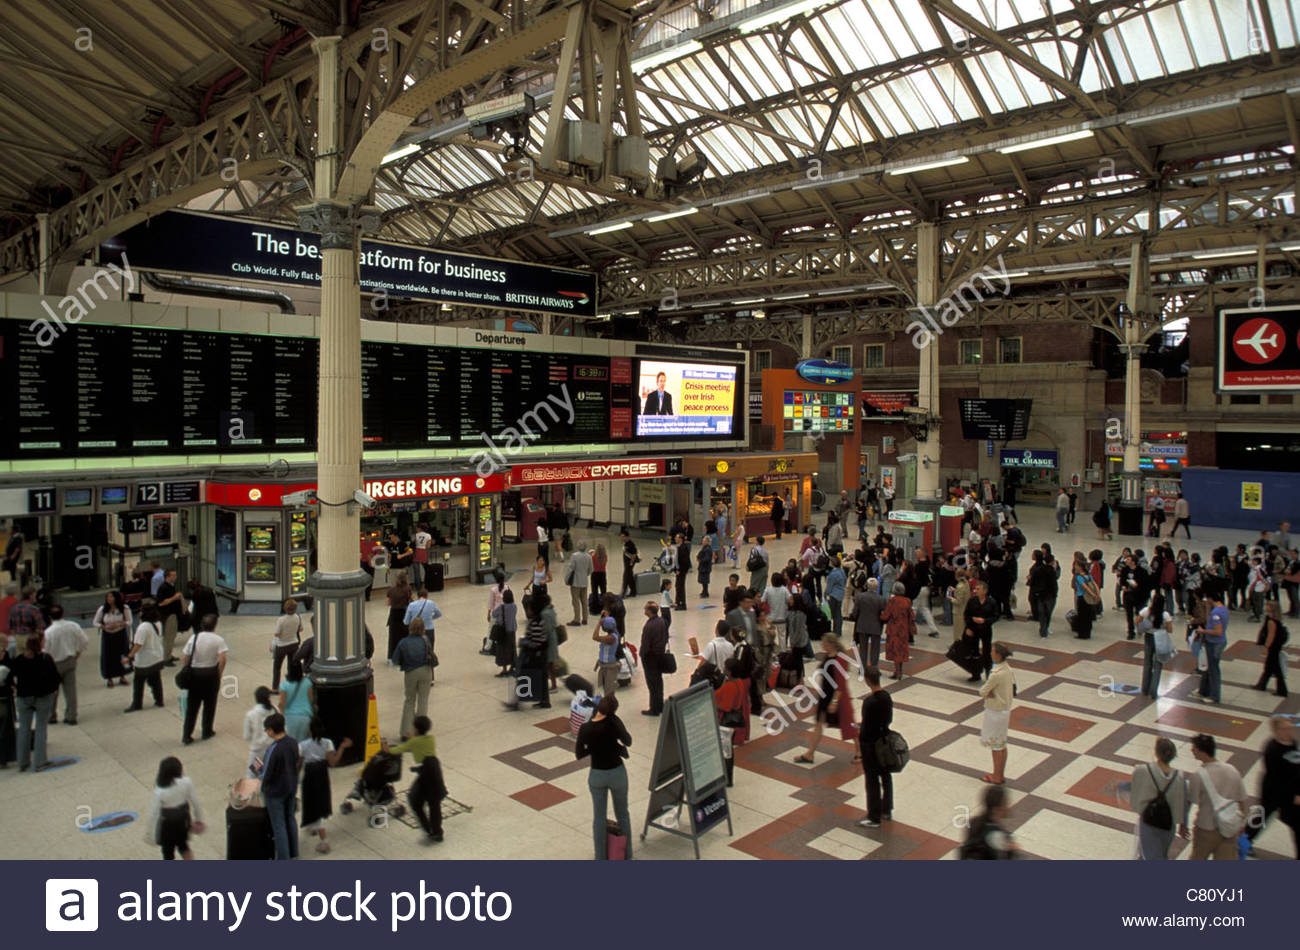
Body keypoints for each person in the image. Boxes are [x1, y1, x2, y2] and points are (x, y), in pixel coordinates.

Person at [575, 694, 633, 859]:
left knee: (599, 817)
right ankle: (627, 854)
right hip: (617, 772)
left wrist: (592, 749)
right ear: (613, 711)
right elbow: (628, 741)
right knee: (622, 814)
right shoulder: (614, 723)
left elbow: (579, 754)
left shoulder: (585, 728)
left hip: (597, 774)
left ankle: (600, 856)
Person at [794, 635, 857, 764]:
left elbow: (840, 684)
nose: (822, 644)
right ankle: (810, 754)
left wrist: (834, 702)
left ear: (830, 644)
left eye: (824, 642)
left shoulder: (839, 660)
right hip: (825, 696)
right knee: (818, 724)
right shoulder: (828, 656)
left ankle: (860, 751)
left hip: (836, 698)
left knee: (848, 724)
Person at [1128, 736, 1189, 860]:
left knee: (1147, 854)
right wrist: (1184, 825)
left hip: (1149, 822)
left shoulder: (1143, 770)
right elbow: (1184, 803)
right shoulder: (1179, 777)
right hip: (1168, 824)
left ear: (1156, 753)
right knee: (1162, 854)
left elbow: (1133, 788)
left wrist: (1118, 786)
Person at [1187, 733, 1246, 860]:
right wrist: (1240, 824)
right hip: (1229, 828)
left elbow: (1191, 801)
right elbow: (1241, 800)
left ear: (1202, 752)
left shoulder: (1198, 776)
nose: (1192, 750)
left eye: (1194, 748)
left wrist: (1183, 824)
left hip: (1206, 828)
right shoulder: (1232, 770)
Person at [1247, 716, 1300, 858]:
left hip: (1289, 790)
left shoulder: (1292, 743)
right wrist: (1293, 795)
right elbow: (1278, 777)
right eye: (1285, 729)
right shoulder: (1272, 749)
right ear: (1276, 731)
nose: (1289, 731)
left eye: (1290, 728)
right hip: (1274, 790)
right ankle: (1244, 841)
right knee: (1262, 816)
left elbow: (1296, 766)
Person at [387, 716, 445, 843]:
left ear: (417, 729)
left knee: (415, 801)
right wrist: (413, 740)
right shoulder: (431, 739)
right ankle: (437, 832)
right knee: (434, 804)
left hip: (425, 775)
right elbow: (417, 745)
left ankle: (429, 829)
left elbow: (398, 750)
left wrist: (385, 748)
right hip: (435, 771)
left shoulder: (414, 742)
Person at [299, 717, 351, 854]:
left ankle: (324, 840)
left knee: (311, 803)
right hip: (322, 776)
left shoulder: (303, 745)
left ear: (310, 730)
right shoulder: (327, 743)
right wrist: (342, 747)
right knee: (320, 802)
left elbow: (298, 765)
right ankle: (314, 826)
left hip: (309, 776)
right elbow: (333, 762)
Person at [11, 633, 59, 771]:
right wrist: (54, 690)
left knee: (24, 730)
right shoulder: (45, 659)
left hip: (23, 697)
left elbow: (11, 675)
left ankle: (22, 762)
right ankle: (40, 761)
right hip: (42, 697)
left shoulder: (19, 659)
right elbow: (54, 677)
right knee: (41, 728)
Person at [145, 756, 205, 860]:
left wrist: (150, 833)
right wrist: (199, 819)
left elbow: (153, 814)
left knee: (168, 852)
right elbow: (195, 802)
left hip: (167, 824)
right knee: (183, 846)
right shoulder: (187, 782)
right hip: (183, 819)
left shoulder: (160, 791)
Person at [180, 614, 228, 745]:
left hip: (195, 674)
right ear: (215, 626)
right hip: (210, 674)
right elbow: (222, 659)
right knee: (210, 704)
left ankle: (187, 734)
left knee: (192, 706)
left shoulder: (194, 638)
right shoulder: (218, 640)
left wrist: (187, 668)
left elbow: (185, 657)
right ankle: (207, 731)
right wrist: (219, 674)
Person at [857, 665, 894, 828]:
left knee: (871, 780)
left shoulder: (869, 702)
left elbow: (866, 727)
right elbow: (888, 719)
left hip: (870, 745)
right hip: (884, 742)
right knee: (886, 776)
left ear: (867, 681)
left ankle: (874, 816)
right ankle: (887, 808)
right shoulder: (887, 697)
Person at [260, 713, 301, 861]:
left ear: (271, 731)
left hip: (276, 791)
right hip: (291, 785)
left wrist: (261, 778)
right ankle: (294, 851)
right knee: (290, 818)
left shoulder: (274, 749)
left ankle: (283, 858)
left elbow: (266, 773)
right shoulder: (293, 742)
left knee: (279, 825)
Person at [977, 641, 1015, 785]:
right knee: (1001, 744)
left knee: (996, 745)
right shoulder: (1007, 669)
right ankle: (999, 773)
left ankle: (996, 775)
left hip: (995, 712)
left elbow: (983, 691)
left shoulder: (996, 674)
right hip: (1004, 709)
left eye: (992, 651)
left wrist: (988, 692)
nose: (990, 653)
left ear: (998, 654)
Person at [43, 605, 87, 726]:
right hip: (70, 659)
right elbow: (84, 641)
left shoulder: (48, 632)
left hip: (54, 663)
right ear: (63, 614)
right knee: (70, 690)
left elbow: (45, 650)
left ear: (49, 617)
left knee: (52, 691)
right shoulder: (73, 626)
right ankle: (71, 715)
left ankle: (51, 715)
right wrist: (77, 652)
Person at [391, 617, 433, 740]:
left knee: (409, 700)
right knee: (423, 700)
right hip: (426, 671)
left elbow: (395, 660)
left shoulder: (403, 642)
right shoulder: (426, 640)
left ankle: (406, 732)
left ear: (410, 628)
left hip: (411, 672)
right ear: (423, 629)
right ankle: (421, 731)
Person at [123, 600, 166, 713]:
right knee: (156, 680)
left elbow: (138, 644)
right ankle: (159, 700)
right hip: (156, 656)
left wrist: (129, 656)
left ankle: (137, 704)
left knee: (139, 683)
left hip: (144, 659)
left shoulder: (143, 627)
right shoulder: (158, 623)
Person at [714, 657, 750, 788]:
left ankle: (727, 779)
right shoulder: (739, 682)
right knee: (728, 752)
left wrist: (716, 703)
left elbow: (726, 706)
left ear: (729, 671)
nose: (723, 669)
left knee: (725, 752)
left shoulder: (729, 686)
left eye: (725, 668)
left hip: (727, 724)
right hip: (736, 723)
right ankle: (728, 778)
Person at [959, 786, 1019, 859]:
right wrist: (1012, 850)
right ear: (998, 809)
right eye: (1006, 804)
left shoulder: (973, 822)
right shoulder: (998, 835)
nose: (1008, 807)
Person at [1193, 591, 1228, 704]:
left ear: (1210, 599)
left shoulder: (1216, 613)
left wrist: (1203, 631)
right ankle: (1203, 690)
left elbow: (1218, 631)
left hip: (1215, 643)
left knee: (1213, 670)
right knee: (1208, 668)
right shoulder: (1223, 609)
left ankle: (1215, 696)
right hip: (1215, 642)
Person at [1139, 589, 1173, 700]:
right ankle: (1153, 692)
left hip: (1149, 637)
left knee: (1147, 663)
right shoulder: (1165, 615)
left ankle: (1145, 689)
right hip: (1161, 638)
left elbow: (1137, 621)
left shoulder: (1146, 611)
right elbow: (1170, 630)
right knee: (1158, 665)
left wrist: (1145, 625)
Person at [93, 590, 132, 688]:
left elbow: (129, 621)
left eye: (112, 597)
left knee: (123, 654)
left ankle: (123, 675)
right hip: (108, 635)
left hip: (120, 634)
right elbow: (95, 622)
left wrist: (120, 624)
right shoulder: (102, 609)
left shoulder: (124, 608)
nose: (110, 599)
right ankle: (109, 678)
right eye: (108, 597)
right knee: (108, 656)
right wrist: (104, 627)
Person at [963, 580, 999, 681]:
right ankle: (975, 673)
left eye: (978, 589)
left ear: (985, 591)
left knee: (987, 652)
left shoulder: (991, 602)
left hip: (986, 630)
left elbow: (996, 616)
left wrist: (985, 621)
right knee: (974, 651)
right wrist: (969, 626)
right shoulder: (972, 601)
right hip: (974, 629)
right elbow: (966, 615)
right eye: (976, 589)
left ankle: (988, 674)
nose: (976, 591)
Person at [849, 576, 886, 670]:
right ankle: (874, 667)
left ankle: (862, 667)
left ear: (867, 586)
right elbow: (884, 614)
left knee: (863, 647)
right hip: (876, 626)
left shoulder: (860, 597)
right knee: (875, 648)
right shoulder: (881, 599)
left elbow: (855, 612)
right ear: (877, 587)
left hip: (862, 625)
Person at [639, 602, 669, 716]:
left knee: (652, 684)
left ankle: (654, 709)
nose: (644, 610)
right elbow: (665, 637)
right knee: (658, 682)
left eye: (645, 608)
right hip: (659, 655)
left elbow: (645, 644)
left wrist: (642, 654)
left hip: (650, 658)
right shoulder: (662, 621)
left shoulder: (649, 626)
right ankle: (660, 706)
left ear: (649, 611)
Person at [1255, 601, 1289, 696]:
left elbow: (1271, 635)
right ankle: (1262, 684)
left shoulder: (1271, 621)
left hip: (1273, 647)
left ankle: (1282, 690)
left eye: (1268, 605)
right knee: (1269, 667)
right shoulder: (1275, 619)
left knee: (1276, 668)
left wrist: (1266, 647)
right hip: (1276, 646)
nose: (1266, 606)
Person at [243, 685, 277, 777]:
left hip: (257, 751)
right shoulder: (275, 710)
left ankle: (252, 791)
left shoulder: (251, 715)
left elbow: (247, 736)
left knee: (253, 774)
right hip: (272, 749)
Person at [881, 582, 912, 681]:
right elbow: (910, 615)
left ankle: (897, 672)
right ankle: (900, 671)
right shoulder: (907, 601)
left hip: (894, 629)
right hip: (904, 628)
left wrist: (880, 616)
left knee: (895, 650)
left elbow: (886, 615)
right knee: (901, 650)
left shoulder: (892, 601)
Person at [271, 598, 304, 690]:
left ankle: (275, 687)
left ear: (285, 608)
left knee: (277, 667)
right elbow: (301, 629)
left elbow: (276, 633)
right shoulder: (298, 617)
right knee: (291, 665)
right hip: (293, 644)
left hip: (282, 645)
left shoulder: (281, 619)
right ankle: (291, 684)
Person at [278, 660, 314, 742]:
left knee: (291, 744)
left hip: (290, 717)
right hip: (305, 716)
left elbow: (282, 704)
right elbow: (311, 700)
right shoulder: (307, 683)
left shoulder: (284, 685)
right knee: (303, 744)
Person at [155, 569, 185, 665]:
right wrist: (175, 598)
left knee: (172, 636)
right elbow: (161, 603)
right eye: (173, 575)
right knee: (168, 637)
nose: (175, 577)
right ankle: (166, 658)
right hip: (167, 615)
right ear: (168, 576)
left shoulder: (171, 586)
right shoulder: (163, 588)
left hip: (173, 614)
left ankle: (169, 654)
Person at [592, 615, 621, 698]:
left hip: (610, 667)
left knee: (609, 691)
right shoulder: (614, 632)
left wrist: (598, 623)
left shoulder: (611, 638)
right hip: (605, 665)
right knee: (607, 689)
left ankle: (609, 706)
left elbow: (595, 637)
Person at [385, 573, 412, 663]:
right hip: (404, 613)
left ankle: (392, 656)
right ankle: (404, 656)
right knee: (404, 634)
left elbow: (388, 603)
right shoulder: (407, 589)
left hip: (393, 614)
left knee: (393, 636)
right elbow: (411, 599)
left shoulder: (391, 590)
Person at [491, 587, 518, 677]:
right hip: (512, 631)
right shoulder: (514, 606)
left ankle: (504, 669)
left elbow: (494, 614)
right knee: (512, 649)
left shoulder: (501, 607)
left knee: (502, 650)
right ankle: (513, 667)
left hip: (502, 632)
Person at [1071, 553, 1098, 640]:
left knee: (1082, 616)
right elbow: (1094, 584)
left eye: (1076, 565)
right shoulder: (1088, 575)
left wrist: (1093, 595)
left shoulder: (1079, 577)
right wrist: (1097, 595)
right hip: (1089, 599)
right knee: (1088, 616)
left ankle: (1082, 634)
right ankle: (1088, 633)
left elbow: (1084, 586)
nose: (1075, 567)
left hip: (1082, 598)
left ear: (1080, 567)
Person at [565, 543, 593, 626]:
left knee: (575, 601)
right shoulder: (589, 557)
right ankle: (585, 619)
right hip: (584, 582)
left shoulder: (574, 556)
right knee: (584, 601)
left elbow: (571, 568)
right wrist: (585, 574)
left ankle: (577, 619)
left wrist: (567, 579)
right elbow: (591, 569)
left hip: (575, 582)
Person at [0, 634, 15, 768]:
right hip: (4, 696)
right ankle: (4, 757)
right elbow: (11, 674)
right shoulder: (5, 657)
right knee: (5, 727)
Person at [673, 531, 690, 610]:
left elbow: (684, 561)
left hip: (681, 571)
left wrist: (679, 569)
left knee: (680, 587)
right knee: (677, 586)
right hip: (678, 569)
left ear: (680, 539)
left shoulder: (683, 548)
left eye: (676, 537)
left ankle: (682, 603)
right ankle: (677, 602)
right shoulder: (678, 547)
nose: (675, 538)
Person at [411, 522, 432, 589]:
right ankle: (427, 584)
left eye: (417, 528)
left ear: (419, 528)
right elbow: (428, 546)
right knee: (427, 570)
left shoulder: (415, 535)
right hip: (423, 552)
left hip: (417, 552)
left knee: (417, 571)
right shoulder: (428, 535)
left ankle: (418, 586)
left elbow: (412, 543)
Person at [619, 529, 638, 598]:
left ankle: (623, 593)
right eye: (621, 536)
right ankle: (633, 592)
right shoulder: (625, 543)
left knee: (626, 577)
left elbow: (634, 554)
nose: (622, 538)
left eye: (623, 536)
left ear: (627, 537)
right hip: (626, 563)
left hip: (629, 564)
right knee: (630, 577)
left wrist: (631, 563)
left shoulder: (631, 544)